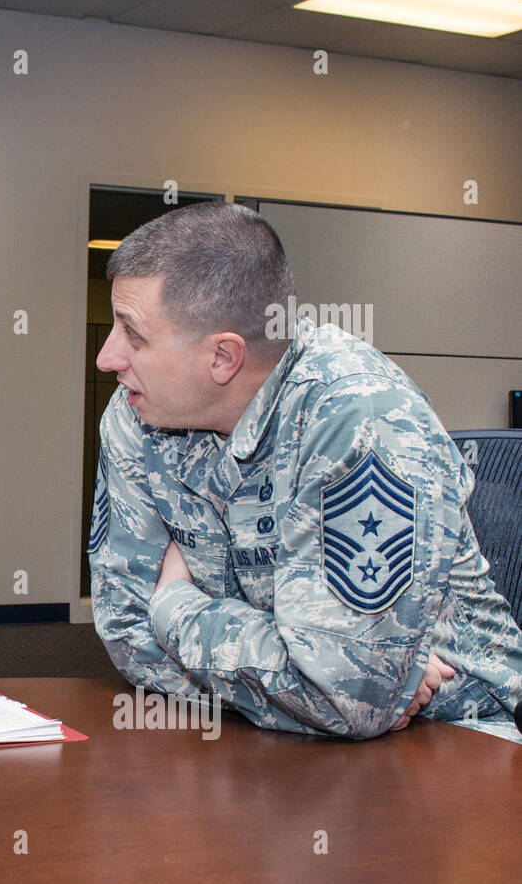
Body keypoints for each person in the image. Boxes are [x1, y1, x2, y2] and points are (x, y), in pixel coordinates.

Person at [88, 201, 522, 739]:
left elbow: (341, 698)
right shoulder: (138, 415)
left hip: (460, 736)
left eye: (132, 333)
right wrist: (316, 684)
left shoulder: (359, 416)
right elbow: (129, 636)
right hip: (275, 743)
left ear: (223, 356)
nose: (107, 357)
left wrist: (175, 605)